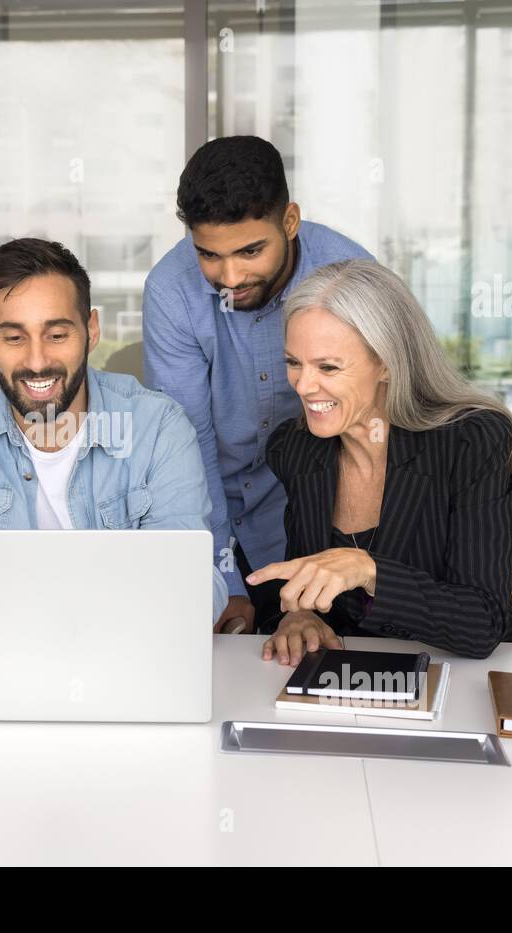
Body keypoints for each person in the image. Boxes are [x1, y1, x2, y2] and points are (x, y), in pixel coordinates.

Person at [0, 238, 227, 643]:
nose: (36, 362)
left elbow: (192, 596)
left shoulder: (157, 428)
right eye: (14, 338)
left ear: (92, 329)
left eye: (56, 335)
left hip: (114, 672)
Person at [248, 259, 512, 664]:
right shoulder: (296, 448)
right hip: (357, 680)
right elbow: (315, 585)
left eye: (328, 367)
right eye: (293, 362)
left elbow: (481, 624)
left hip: (472, 677)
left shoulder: (470, 443)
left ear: (386, 363)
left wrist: (369, 570)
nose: (303, 384)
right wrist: (301, 616)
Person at [143, 135, 372, 633]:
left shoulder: (352, 277)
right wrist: (222, 578)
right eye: (208, 254)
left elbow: (377, 428)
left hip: (327, 524)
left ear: (289, 221)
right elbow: (187, 442)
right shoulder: (170, 290)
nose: (230, 275)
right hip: (214, 517)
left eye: (250, 250)